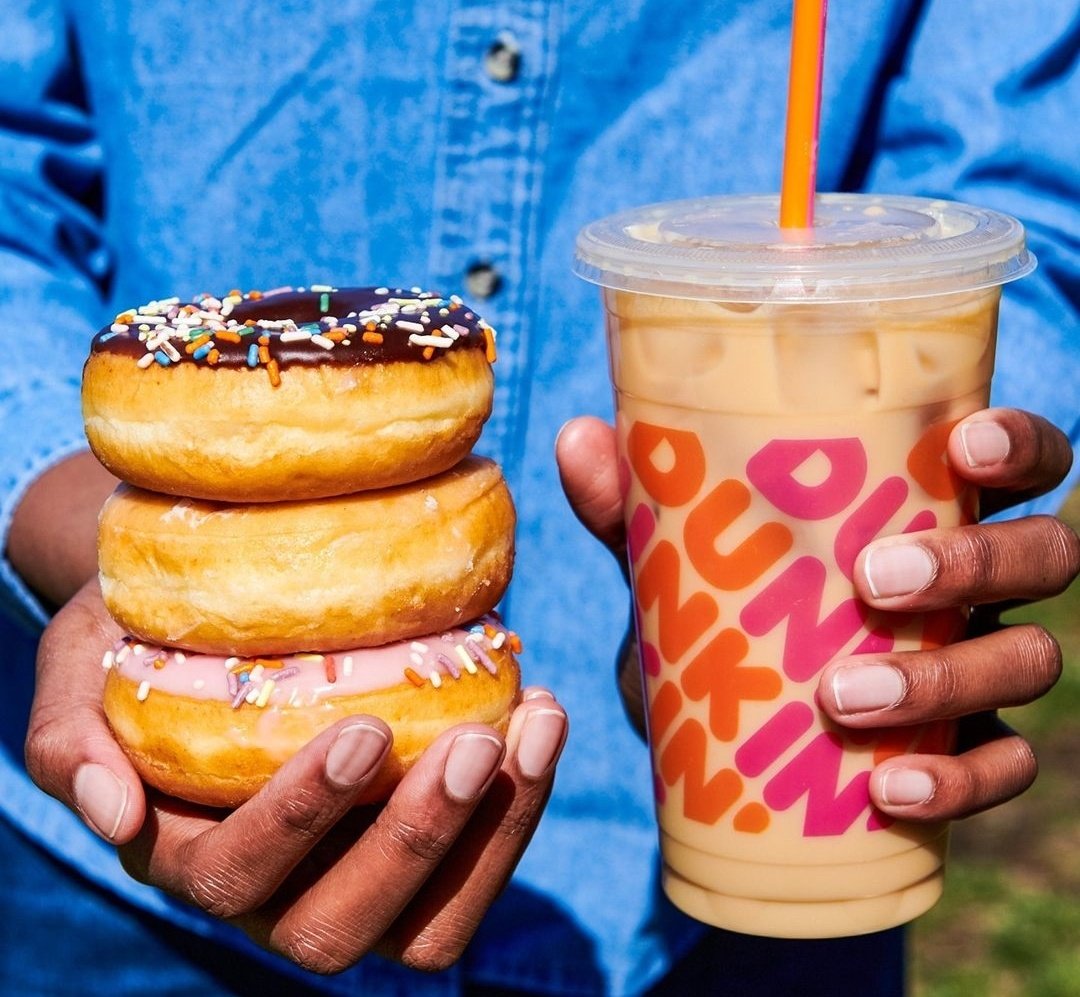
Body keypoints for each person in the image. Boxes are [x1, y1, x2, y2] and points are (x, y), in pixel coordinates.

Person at [1, 1, 1077, 994]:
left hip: (780, 826)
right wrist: (99, 547)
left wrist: (899, 548)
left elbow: (1019, 189)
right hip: (111, 904)